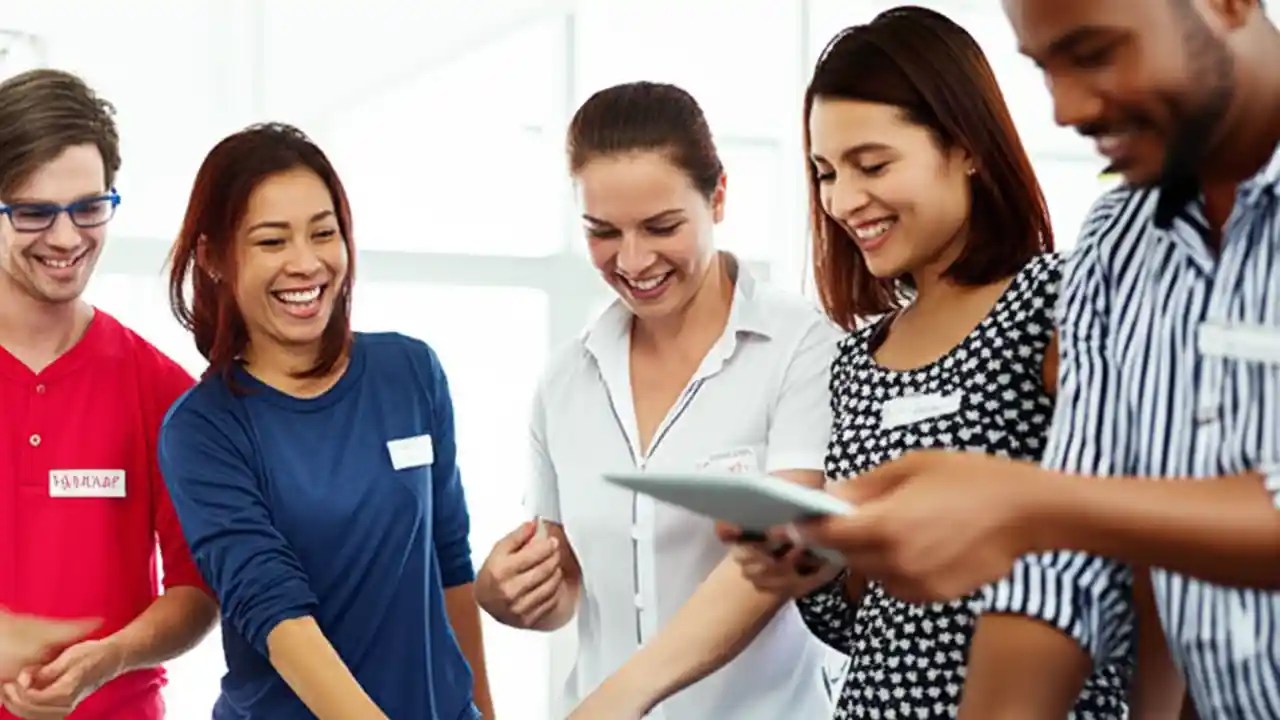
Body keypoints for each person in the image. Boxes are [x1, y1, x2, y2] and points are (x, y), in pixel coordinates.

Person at [789, 1, 1280, 717]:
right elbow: (1065, 583)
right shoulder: (1121, 238)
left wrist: (1025, 504)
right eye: (1045, 69)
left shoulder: (1047, 294)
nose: (1064, 111)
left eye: (1095, 52)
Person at [718, 8, 1135, 718]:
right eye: (825, 173)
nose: (843, 200)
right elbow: (867, 622)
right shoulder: (856, 361)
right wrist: (811, 569)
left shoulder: (1058, 300)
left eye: (873, 165)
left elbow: (1139, 544)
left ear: (965, 147)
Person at [472, 81, 841, 719]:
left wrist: (620, 698)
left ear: (718, 196)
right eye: (603, 232)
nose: (634, 259)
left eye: (661, 227)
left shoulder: (800, 349)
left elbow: (785, 551)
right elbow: (567, 585)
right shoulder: (565, 380)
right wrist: (509, 594)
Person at [157, 122, 494, 719]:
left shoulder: (410, 372)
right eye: (271, 241)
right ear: (213, 258)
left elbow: (450, 562)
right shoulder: (203, 429)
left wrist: (482, 712)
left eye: (323, 233)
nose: (306, 263)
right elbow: (273, 607)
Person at [0, 69, 218, 720]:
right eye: (35, 212)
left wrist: (112, 656)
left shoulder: (162, 390)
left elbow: (197, 589)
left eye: (89, 208)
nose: (67, 238)